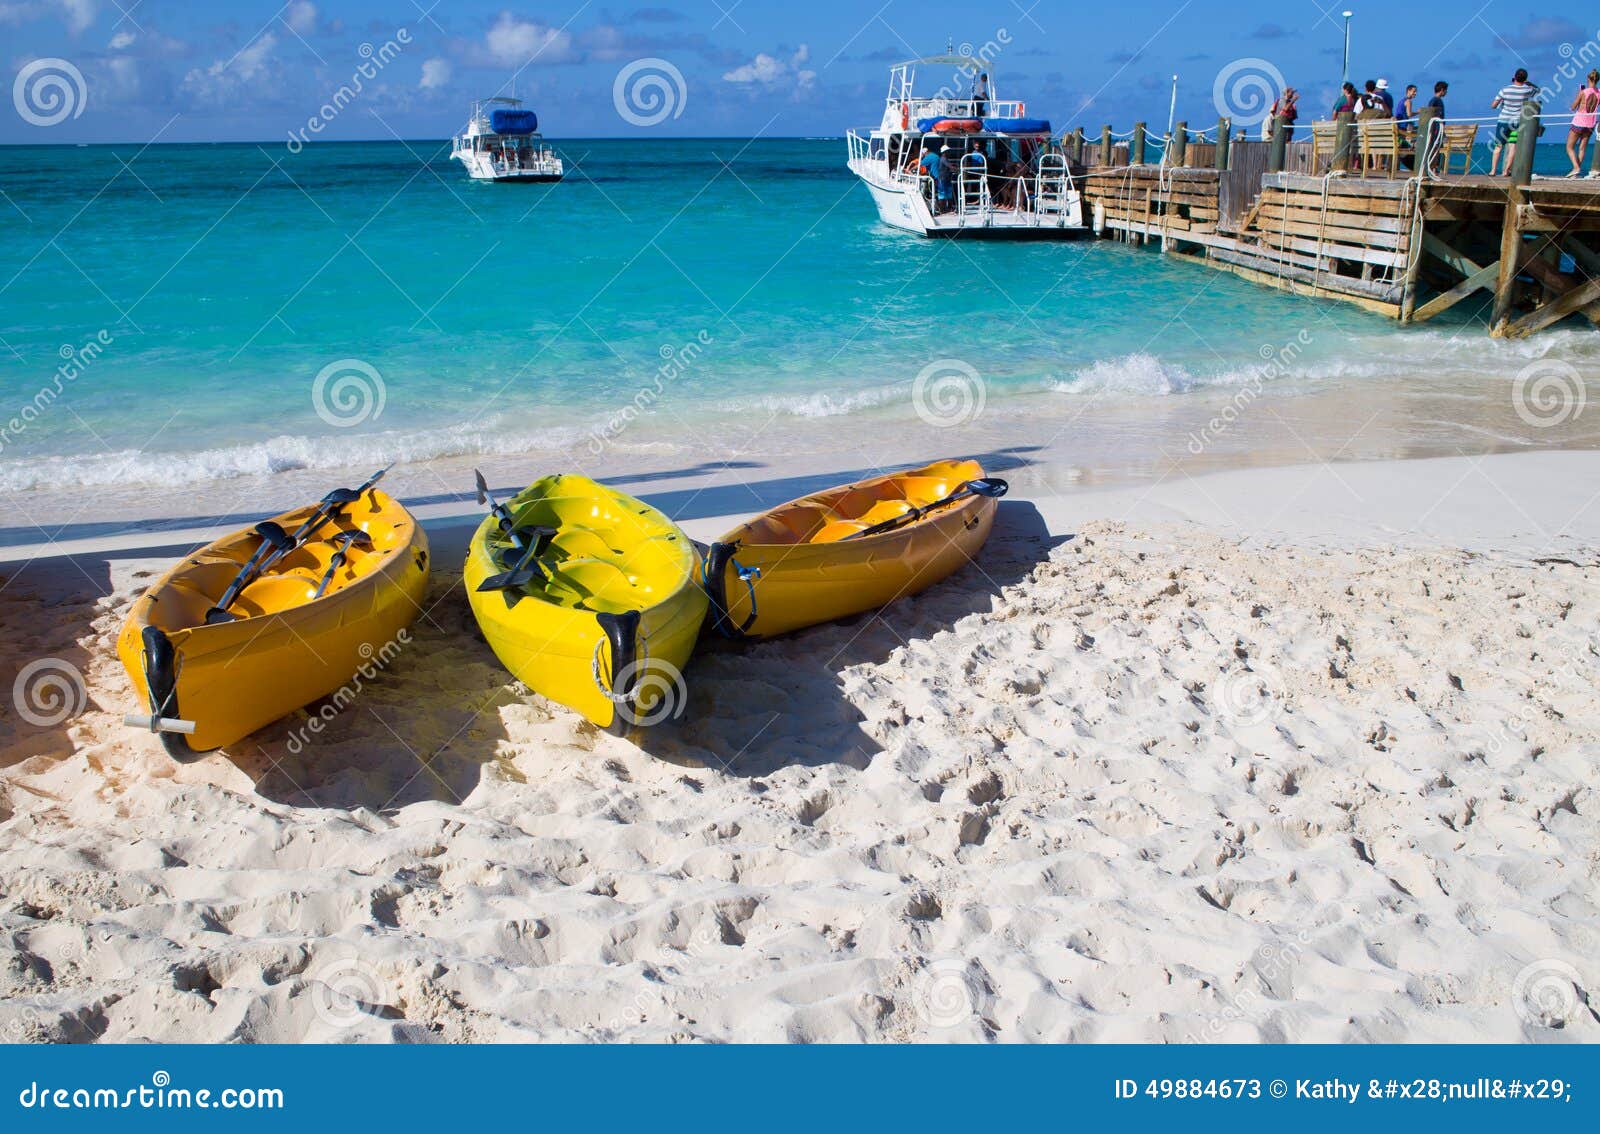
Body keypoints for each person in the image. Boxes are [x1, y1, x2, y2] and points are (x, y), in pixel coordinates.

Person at [1491, 68, 1539, 176]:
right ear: (1525, 79)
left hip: (1503, 120)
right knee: (1513, 146)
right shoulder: (1527, 90)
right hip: (1517, 121)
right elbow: (1538, 90)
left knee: (1498, 146)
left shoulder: (1505, 90)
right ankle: (1506, 171)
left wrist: (1502, 103)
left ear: (1514, 77)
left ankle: (1493, 171)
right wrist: (1529, 83)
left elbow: (1493, 105)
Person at [1569, 70, 1599, 177]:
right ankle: (1576, 173)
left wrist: (1579, 95)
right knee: (1582, 148)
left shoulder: (1583, 92)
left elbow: (1573, 107)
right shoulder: (1599, 92)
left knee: (1569, 147)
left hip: (1579, 122)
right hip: (1590, 124)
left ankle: (1576, 168)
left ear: (1588, 79)